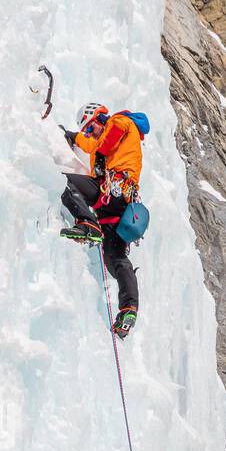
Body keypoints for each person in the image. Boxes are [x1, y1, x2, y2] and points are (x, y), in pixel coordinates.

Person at [59, 103, 149, 339]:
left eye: (91, 128)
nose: (91, 134)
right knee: (114, 257)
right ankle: (129, 309)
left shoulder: (121, 122)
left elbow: (110, 133)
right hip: (117, 205)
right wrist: (74, 137)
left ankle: (87, 222)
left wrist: (99, 155)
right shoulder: (102, 139)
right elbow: (92, 144)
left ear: (98, 118)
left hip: (114, 190)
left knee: (63, 181)